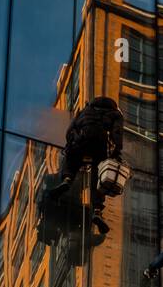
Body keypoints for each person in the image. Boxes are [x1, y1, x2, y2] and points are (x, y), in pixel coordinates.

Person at [41, 96, 125, 236]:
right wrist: (117, 149)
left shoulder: (85, 111)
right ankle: (97, 210)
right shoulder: (116, 114)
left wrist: (71, 144)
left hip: (82, 137)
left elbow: (70, 130)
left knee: (72, 158)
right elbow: (117, 132)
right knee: (97, 176)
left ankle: (67, 179)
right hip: (100, 141)